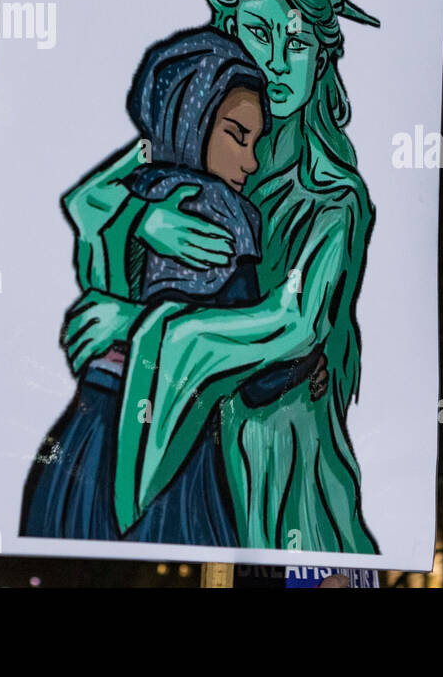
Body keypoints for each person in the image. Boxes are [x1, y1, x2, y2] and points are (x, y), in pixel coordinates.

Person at [51, 0, 381, 553]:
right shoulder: (189, 141)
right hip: (191, 451)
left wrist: (137, 323)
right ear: (226, 24)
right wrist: (145, 217)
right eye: (261, 34)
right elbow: (91, 200)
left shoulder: (334, 196)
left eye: (299, 44)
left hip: (276, 461)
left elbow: (292, 322)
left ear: (323, 61)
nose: (278, 61)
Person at [21, 29, 325, 544]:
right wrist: (300, 362)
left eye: (254, 142)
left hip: (80, 447)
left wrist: (139, 233)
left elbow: (85, 201)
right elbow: (236, 356)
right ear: (194, 117)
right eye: (235, 134)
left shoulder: (122, 199)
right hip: (166, 456)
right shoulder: (222, 212)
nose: (250, 163)